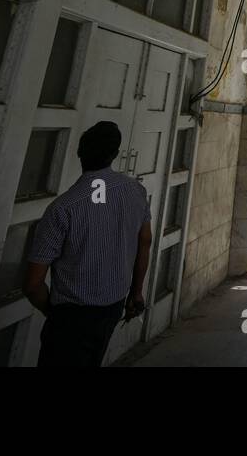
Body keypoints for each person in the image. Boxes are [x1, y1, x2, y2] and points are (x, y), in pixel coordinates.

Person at [23, 120, 152, 367]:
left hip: (71, 317)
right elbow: (144, 242)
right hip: (113, 306)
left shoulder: (63, 209)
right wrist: (135, 293)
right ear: (115, 155)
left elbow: (32, 284)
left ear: (79, 152)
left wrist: (55, 315)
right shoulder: (135, 191)